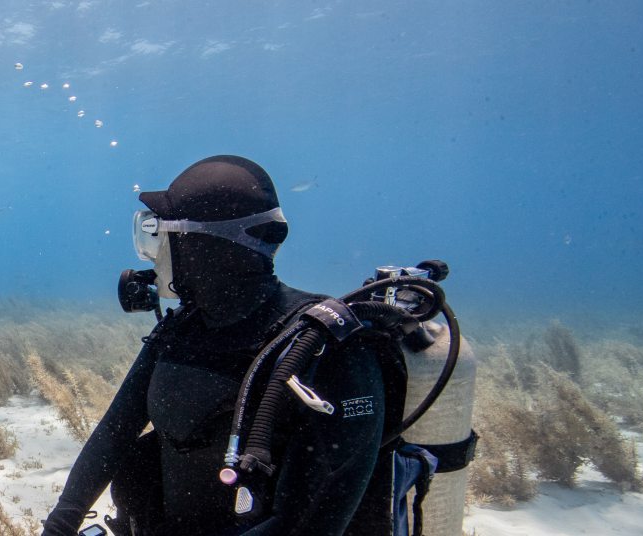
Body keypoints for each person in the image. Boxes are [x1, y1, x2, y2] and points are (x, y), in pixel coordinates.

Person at [41, 155, 388, 535]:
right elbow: (115, 431)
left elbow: (312, 520)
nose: (153, 254)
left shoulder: (326, 347)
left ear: (203, 245)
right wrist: (63, 520)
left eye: (159, 237)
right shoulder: (180, 331)